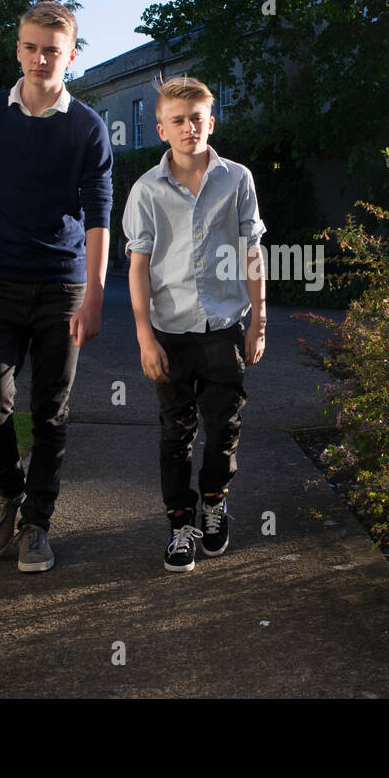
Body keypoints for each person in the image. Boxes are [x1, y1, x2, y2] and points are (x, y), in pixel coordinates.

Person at [0, 0, 111, 573]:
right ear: (18, 49)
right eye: (31, 47)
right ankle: (9, 492)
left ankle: (37, 524)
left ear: (71, 56)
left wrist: (93, 295)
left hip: (61, 288)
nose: (40, 58)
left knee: (51, 411)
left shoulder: (87, 127)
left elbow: (98, 218)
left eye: (53, 49)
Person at [122, 75, 266, 572]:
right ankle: (179, 521)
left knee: (224, 426)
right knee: (175, 431)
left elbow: (252, 251)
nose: (189, 128)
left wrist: (259, 320)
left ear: (211, 120)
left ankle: (213, 502)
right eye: (177, 121)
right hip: (170, 331)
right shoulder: (146, 190)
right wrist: (144, 337)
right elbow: (138, 267)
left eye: (197, 119)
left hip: (226, 325)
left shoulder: (237, 179)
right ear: (161, 128)